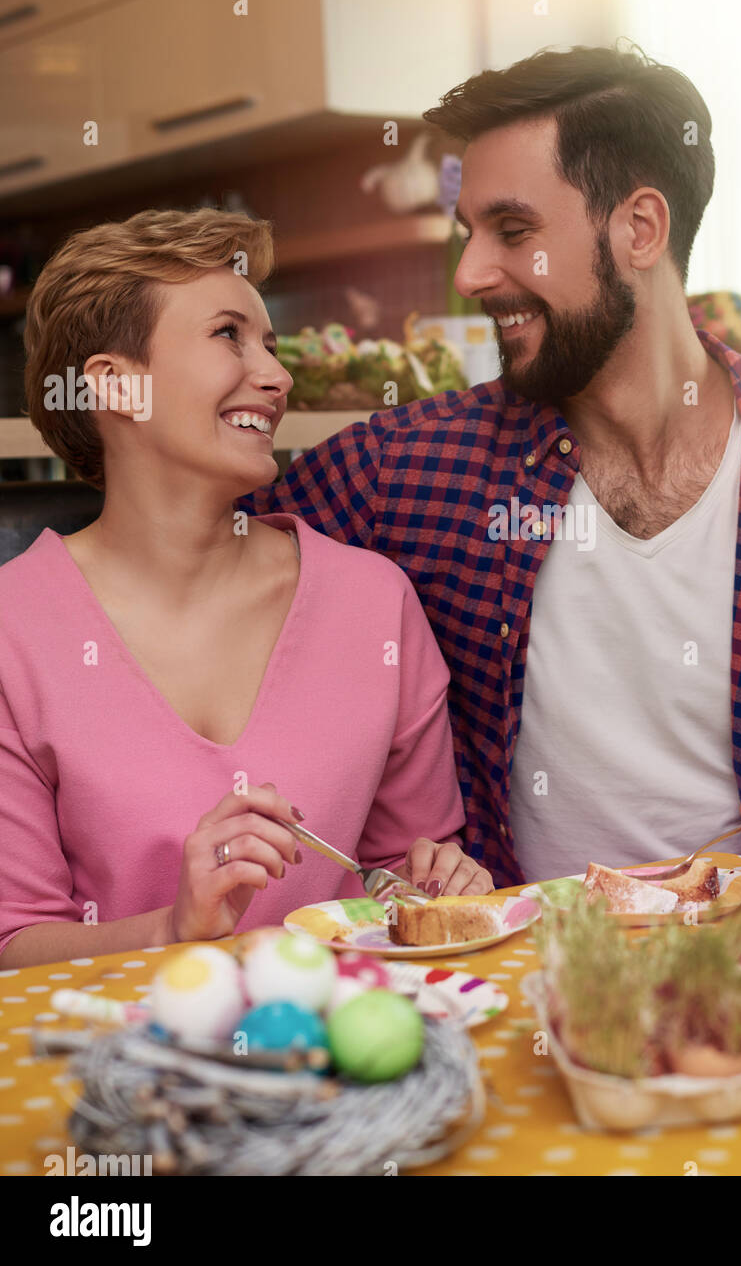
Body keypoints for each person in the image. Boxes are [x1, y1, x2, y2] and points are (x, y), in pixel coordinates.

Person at [240, 42, 741, 905]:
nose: (470, 274)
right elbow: (199, 557)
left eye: (515, 230)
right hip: (539, 991)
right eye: (471, 235)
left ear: (639, 229)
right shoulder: (408, 469)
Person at [0, 208, 491, 970]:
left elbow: (401, 875)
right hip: (111, 1068)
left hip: (349, 1063)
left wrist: (436, 883)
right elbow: (12, 945)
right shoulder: (13, 630)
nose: (277, 374)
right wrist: (171, 930)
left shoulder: (374, 602)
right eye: (228, 334)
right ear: (115, 387)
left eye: (268, 342)